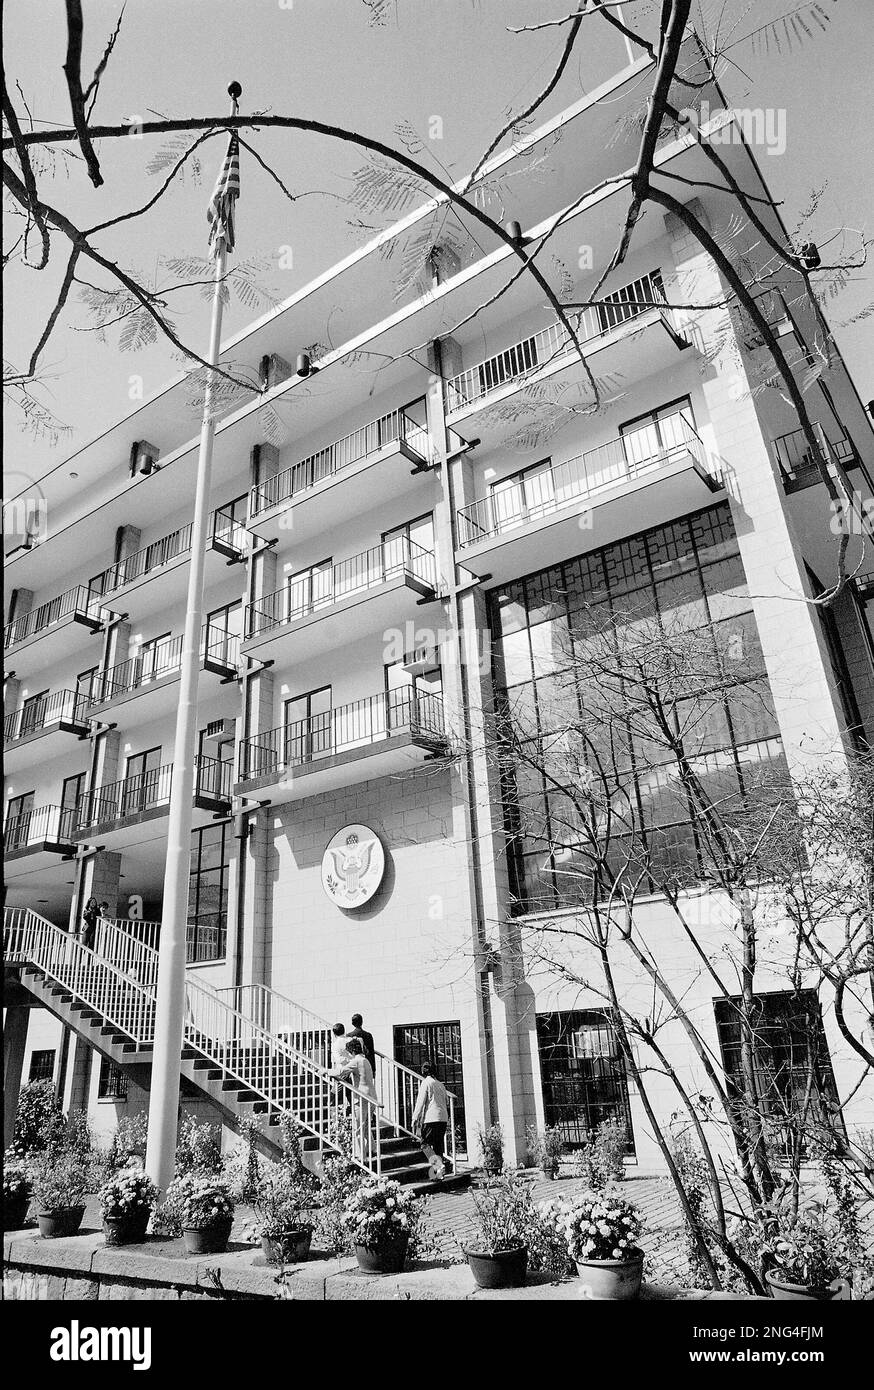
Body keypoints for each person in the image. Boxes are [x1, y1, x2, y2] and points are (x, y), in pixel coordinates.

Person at [332, 1037, 380, 1163]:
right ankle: (373, 1149)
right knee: (366, 1126)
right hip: (372, 1096)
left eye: (349, 1052)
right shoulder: (365, 1060)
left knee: (358, 1128)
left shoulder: (356, 1061)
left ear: (352, 1051)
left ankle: (361, 1156)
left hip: (362, 1098)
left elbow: (341, 1071)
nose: (349, 1055)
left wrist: (326, 1071)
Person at [411, 1062, 450, 1177]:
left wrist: (415, 1117)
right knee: (438, 1144)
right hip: (443, 1117)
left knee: (424, 1144)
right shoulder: (440, 1084)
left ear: (423, 1072)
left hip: (431, 1118)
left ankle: (438, 1165)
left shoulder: (426, 1083)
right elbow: (446, 1101)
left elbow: (420, 1102)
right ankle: (439, 1173)